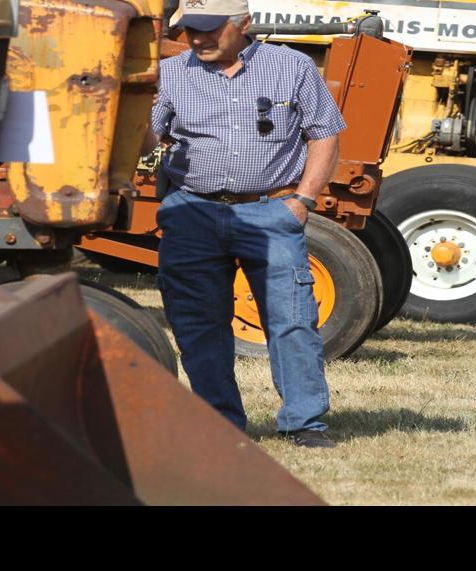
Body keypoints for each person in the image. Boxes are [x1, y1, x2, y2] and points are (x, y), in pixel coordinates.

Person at [147, 0, 346, 449]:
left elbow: (325, 132)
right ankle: (219, 423)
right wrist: (135, 101)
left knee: (292, 319)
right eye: (191, 30)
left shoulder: (291, 67)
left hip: (270, 211)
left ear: (244, 25)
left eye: (210, 30)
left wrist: (303, 201)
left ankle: (305, 424)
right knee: (198, 322)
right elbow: (148, 136)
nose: (198, 39)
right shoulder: (172, 73)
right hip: (192, 212)